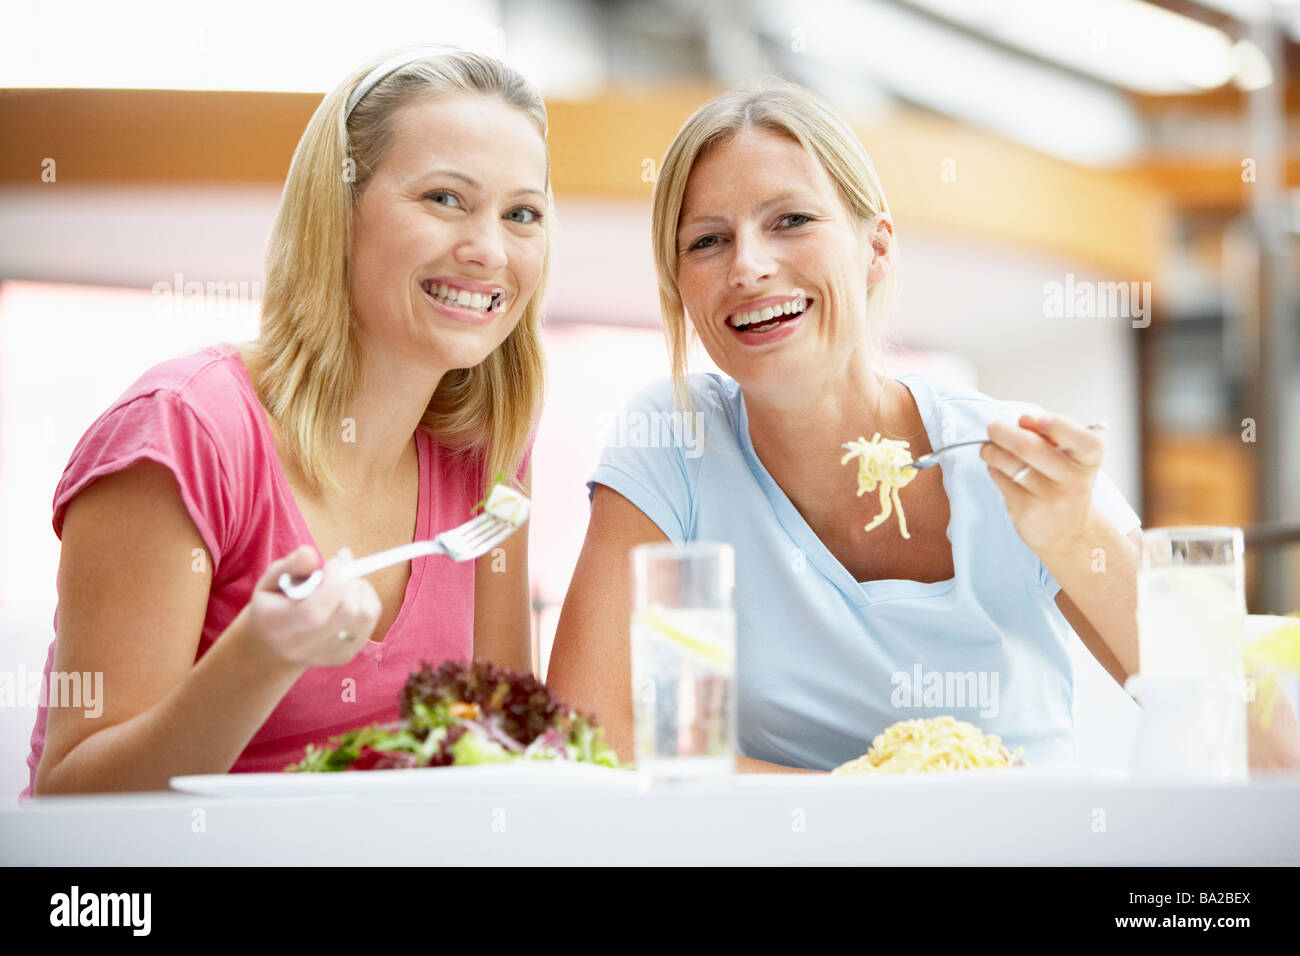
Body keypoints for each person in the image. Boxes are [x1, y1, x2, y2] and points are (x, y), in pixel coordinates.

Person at [547, 80, 1300, 773]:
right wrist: (874, 808)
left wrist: (1075, 536)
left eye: (791, 221)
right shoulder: (675, 436)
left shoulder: (1008, 459)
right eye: (707, 240)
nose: (748, 265)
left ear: (875, 249)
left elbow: (1263, 744)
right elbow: (590, 734)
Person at [24, 46, 551, 795]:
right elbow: (74, 800)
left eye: (522, 213)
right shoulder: (184, 432)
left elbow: (501, 750)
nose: (488, 250)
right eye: (443, 199)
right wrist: (262, 657)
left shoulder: (487, 450)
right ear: (338, 212)